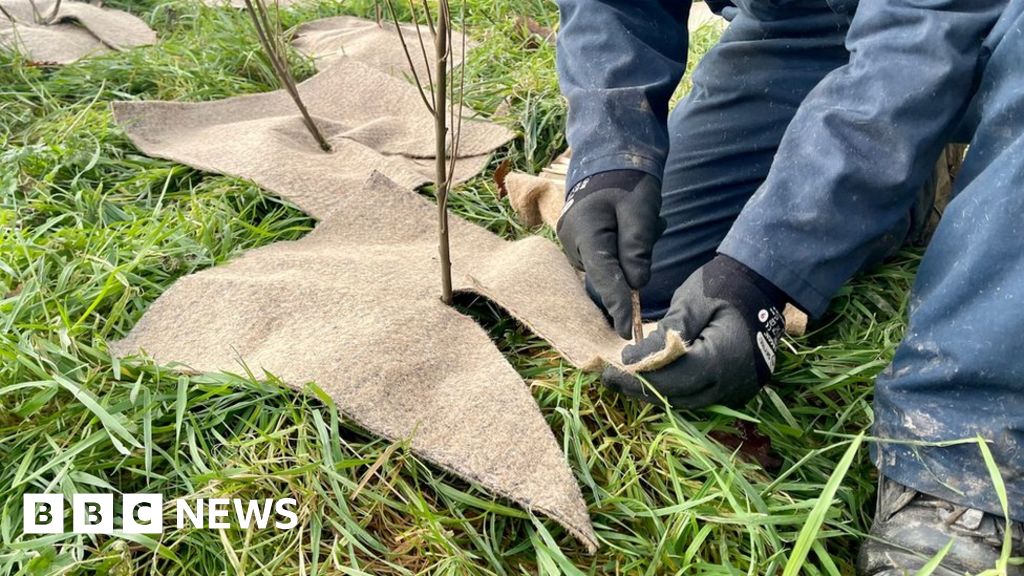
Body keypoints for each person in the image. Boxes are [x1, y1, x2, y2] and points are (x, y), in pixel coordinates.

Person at [553, 0, 1024, 572]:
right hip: (803, 22)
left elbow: (921, 30)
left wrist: (760, 273)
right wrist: (610, 158)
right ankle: (912, 194)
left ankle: (966, 445)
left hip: (966, 16)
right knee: (663, 268)